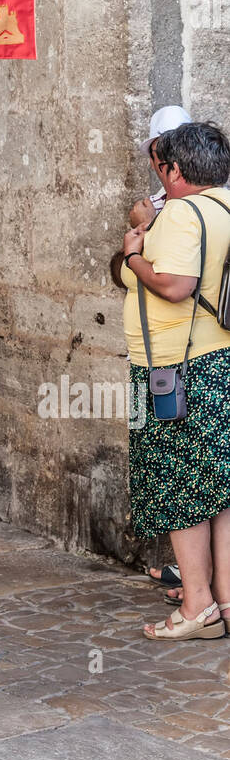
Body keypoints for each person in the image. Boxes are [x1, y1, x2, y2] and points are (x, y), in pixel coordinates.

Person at [120, 121, 230, 642]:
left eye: (160, 166)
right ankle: (224, 602)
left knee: (181, 487)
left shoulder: (184, 211)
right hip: (214, 361)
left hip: (174, 368)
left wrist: (134, 251)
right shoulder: (226, 206)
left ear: (177, 170)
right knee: (217, 490)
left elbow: (176, 285)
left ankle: (195, 606)